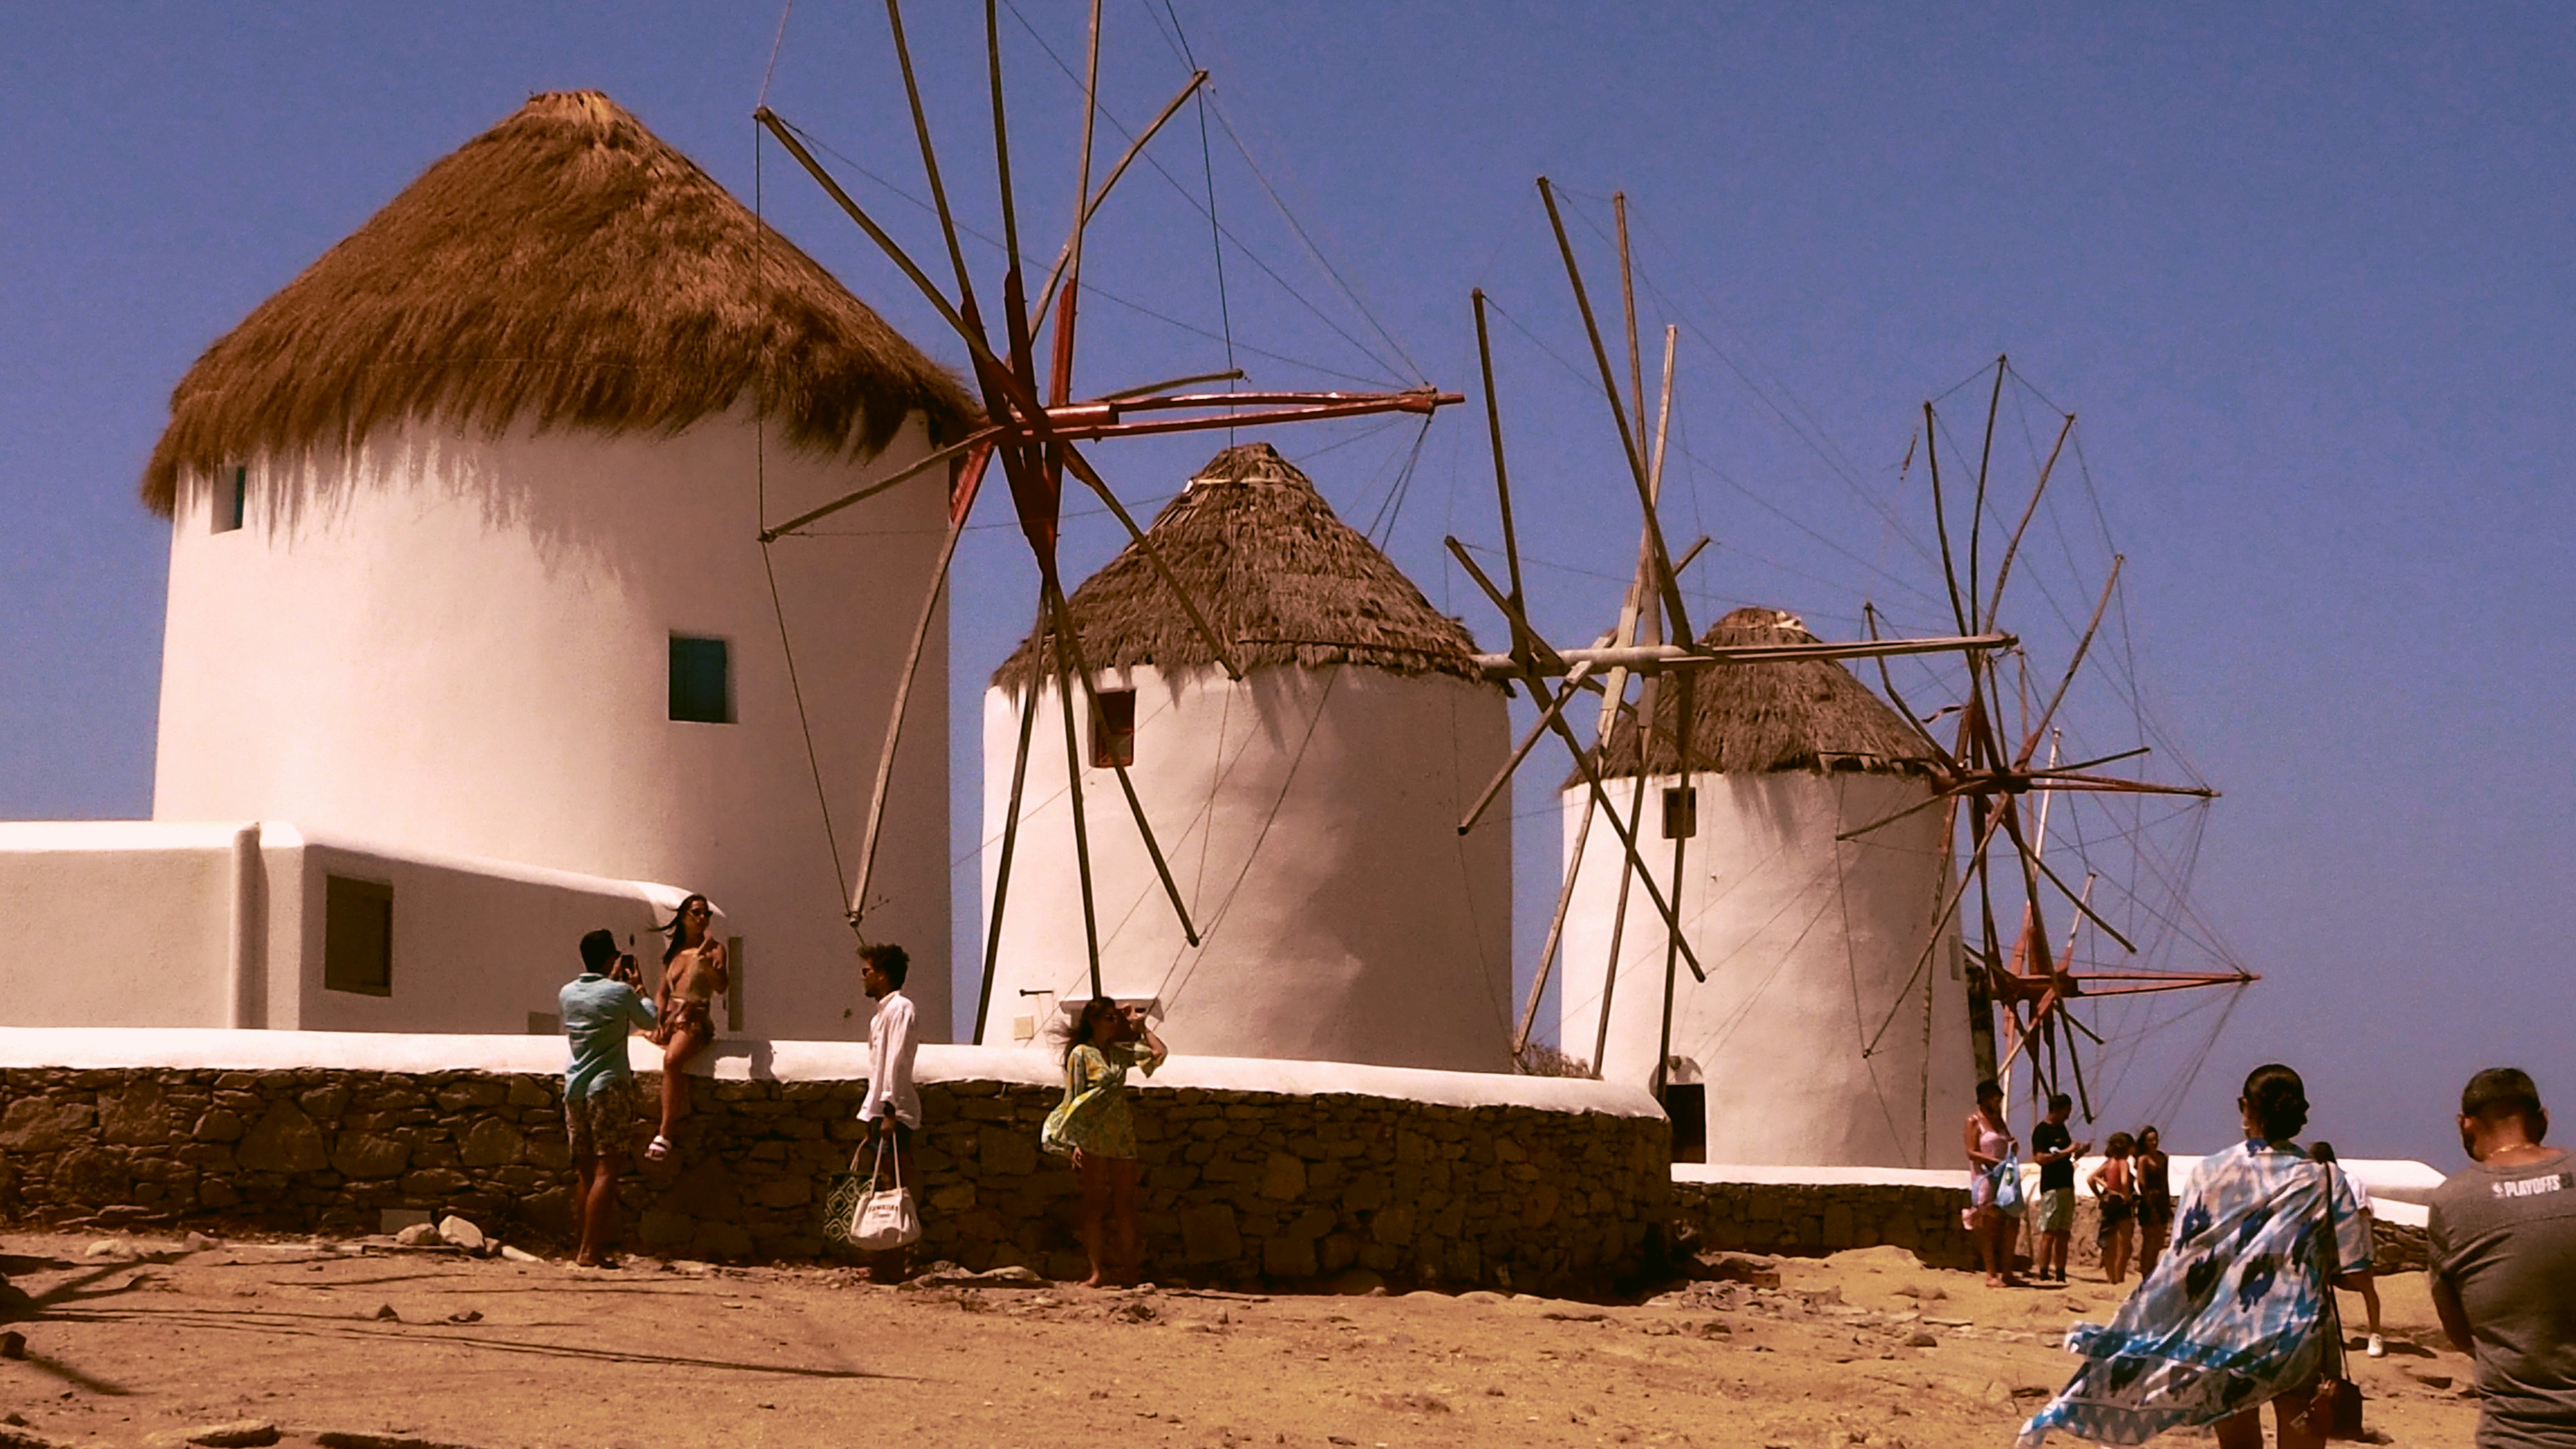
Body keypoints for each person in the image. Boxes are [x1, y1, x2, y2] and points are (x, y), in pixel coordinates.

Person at [2019, 1063, 2372, 1449]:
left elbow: (2184, 1262)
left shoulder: (2208, 1174)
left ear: (2245, 1108)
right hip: (2299, 1335)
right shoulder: (2326, 1179)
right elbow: (2355, 1272)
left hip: (2226, 1334)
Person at [2427, 1067, 2576, 1448]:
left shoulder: (2453, 1202)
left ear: (2466, 1124)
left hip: (2517, 1433)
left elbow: (2461, 1332)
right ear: (2542, 1120)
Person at [1041, 998, 1166, 1288]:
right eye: (1109, 1018)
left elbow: (1159, 1053)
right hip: (1092, 1135)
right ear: (1093, 1022)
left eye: (1115, 1018)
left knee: (1125, 1204)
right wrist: (1073, 1142)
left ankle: (1130, 1272)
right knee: (1094, 1205)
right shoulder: (1081, 1055)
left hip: (1121, 1134)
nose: (1114, 1023)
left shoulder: (1119, 1054)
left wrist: (1141, 1026)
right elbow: (1073, 1099)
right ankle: (1096, 1271)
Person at [560, 928, 657, 1268]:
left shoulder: (567, 994)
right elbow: (650, 1019)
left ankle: (581, 1246)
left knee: (586, 1172)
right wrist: (639, 988)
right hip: (608, 1085)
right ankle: (591, 1251)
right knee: (607, 1169)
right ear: (611, 959)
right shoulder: (620, 993)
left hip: (574, 1088)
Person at [852, 943, 919, 1284]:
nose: (862, 978)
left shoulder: (900, 1009)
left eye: (867, 972)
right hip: (880, 1107)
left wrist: (890, 1109)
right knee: (882, 1185)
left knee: (896, 1186)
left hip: (892, 1109)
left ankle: (896, 1261)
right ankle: (883, 1258)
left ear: (881, 974)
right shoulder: (883, 1013)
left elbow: (896, 1060)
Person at [646, 894, 727, 1163]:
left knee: (671, 1061)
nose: (703, 918)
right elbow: (662, 994)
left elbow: (721, 986)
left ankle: (666, 1132)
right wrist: (657, 1021)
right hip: (671, 1020)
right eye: (696, 913)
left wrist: (705, 962)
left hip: (695, 1020)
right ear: (684, 917)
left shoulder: (715, 949)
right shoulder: (674, 954)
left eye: (706, 914)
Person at [2308, 1142, 2385, 1357]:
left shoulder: (2351, 1181)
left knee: (2365, 1286)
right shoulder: (2314, 1184)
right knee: (2321, 1287)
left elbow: (2362, 1210)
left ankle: (2375, 1333)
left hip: (2353, 1243)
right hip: (2327, 1245)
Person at [1963, 1079, 2025, 1288]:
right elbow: (1971, 1151)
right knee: (1989, 1224)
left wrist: (2012, 1149)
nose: (1997, 1102)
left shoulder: (1999, 1122)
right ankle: (1991, 1273)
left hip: (2004, 1176)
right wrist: (1993, 1161)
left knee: (2011, 1220)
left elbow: (2005, 1142)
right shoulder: (1974, 1121)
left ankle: (2007, 1271)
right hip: (1986, 1176)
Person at [2030, 1094, 2091, 1284]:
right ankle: (2043, 1271)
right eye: (2067, 1111)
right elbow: (2040, 1158)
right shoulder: (2042, 1131)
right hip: (2052, 1186)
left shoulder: (2062, 1130)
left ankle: (2061, 1272)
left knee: (2064, 1232)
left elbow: (2067, 1159)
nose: (2068, 1116)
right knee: (2049, 1231)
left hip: (2067, 1184)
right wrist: (2066, 1151)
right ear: (2058, 1109)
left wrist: (2078, 1153)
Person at [2090, 1131, 2138, 1285]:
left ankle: (2111, 1277)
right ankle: (2119, 1276)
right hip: (2120, 1201)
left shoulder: (2108, 1163)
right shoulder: (2123, 1162)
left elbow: (2091, 1178)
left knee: (2108, 1241)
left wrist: (2101, 1193)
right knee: (2124, 1242)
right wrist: (2127, 1196)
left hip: (2109, 1201)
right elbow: (2124, 1181)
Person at [2134, 1125, 2175, 1279]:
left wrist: (2168, 1203)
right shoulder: (2143, 1160)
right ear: (2145, 1142)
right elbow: (2142, 1184)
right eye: (2151, 1140)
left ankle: (2152, 1271)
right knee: (2149, 1240)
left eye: (2156, 1139)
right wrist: (2149, 1204)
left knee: (2159, 1240)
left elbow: (2165, 1182)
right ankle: (2145, 1273)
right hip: (2148, 1200)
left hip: (2162, 1201)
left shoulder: (2163, 1157)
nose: (2155, 1142)